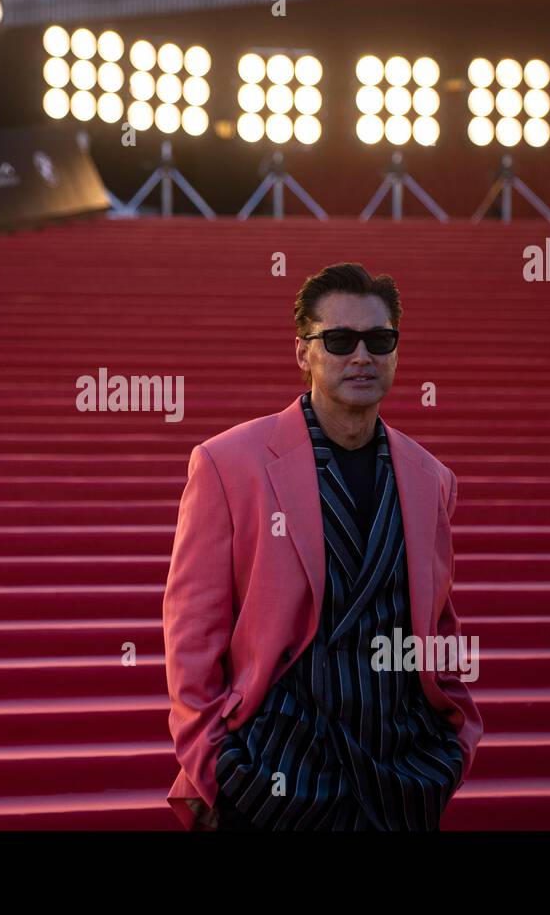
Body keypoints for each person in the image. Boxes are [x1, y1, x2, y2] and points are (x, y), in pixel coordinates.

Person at [164, 262, 482, 831]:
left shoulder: (430, 477)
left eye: (379, 340)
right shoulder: (227, 463)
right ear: (302, 351)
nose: (361, 355)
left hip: (400, 782)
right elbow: (192, 632)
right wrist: (215, 765)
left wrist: (453, 747)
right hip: (273, 776)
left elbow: (440, 628)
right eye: (338, 340)